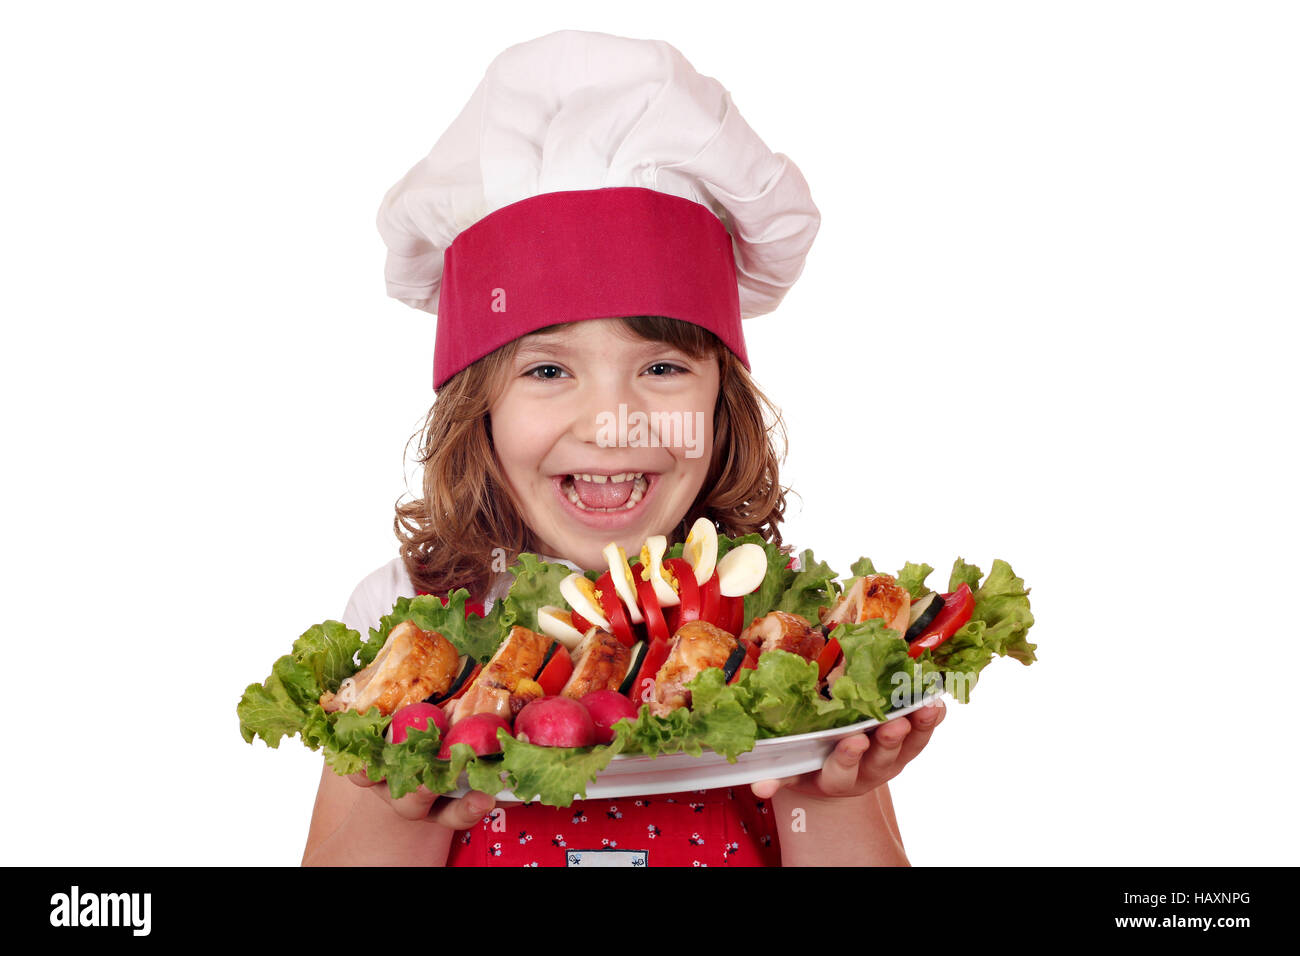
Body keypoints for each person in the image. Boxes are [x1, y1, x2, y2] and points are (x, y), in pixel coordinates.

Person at [302, 31, 945, 867]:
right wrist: (406, 809)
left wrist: (821, 790)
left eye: (663, 366)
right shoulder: (405, 624)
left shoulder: (782, 637)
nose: (612, 423)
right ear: (477, 410)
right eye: (546, 369)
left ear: (724, 404)